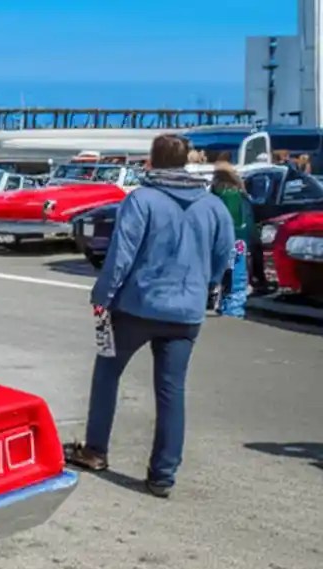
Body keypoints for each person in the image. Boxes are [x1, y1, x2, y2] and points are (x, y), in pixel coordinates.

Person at [65, 134, 235, 498]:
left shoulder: (141, 200)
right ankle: (163, 475)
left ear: (152, 162)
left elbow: (121, 255)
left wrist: (102, 296)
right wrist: (206, 286)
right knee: (172, 391)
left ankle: (96, 449)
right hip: (186, 313)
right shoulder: (212, 205)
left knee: (107, 372)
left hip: (137, 307)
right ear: (186, 161)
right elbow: (224, 255)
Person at [210, 164, 251, 319]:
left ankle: (221, 304)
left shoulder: (215, 195)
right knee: (236, 277)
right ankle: (234, 309)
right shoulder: (240, 194)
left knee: (222, 274)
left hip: (220, 241)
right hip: (239, 240)